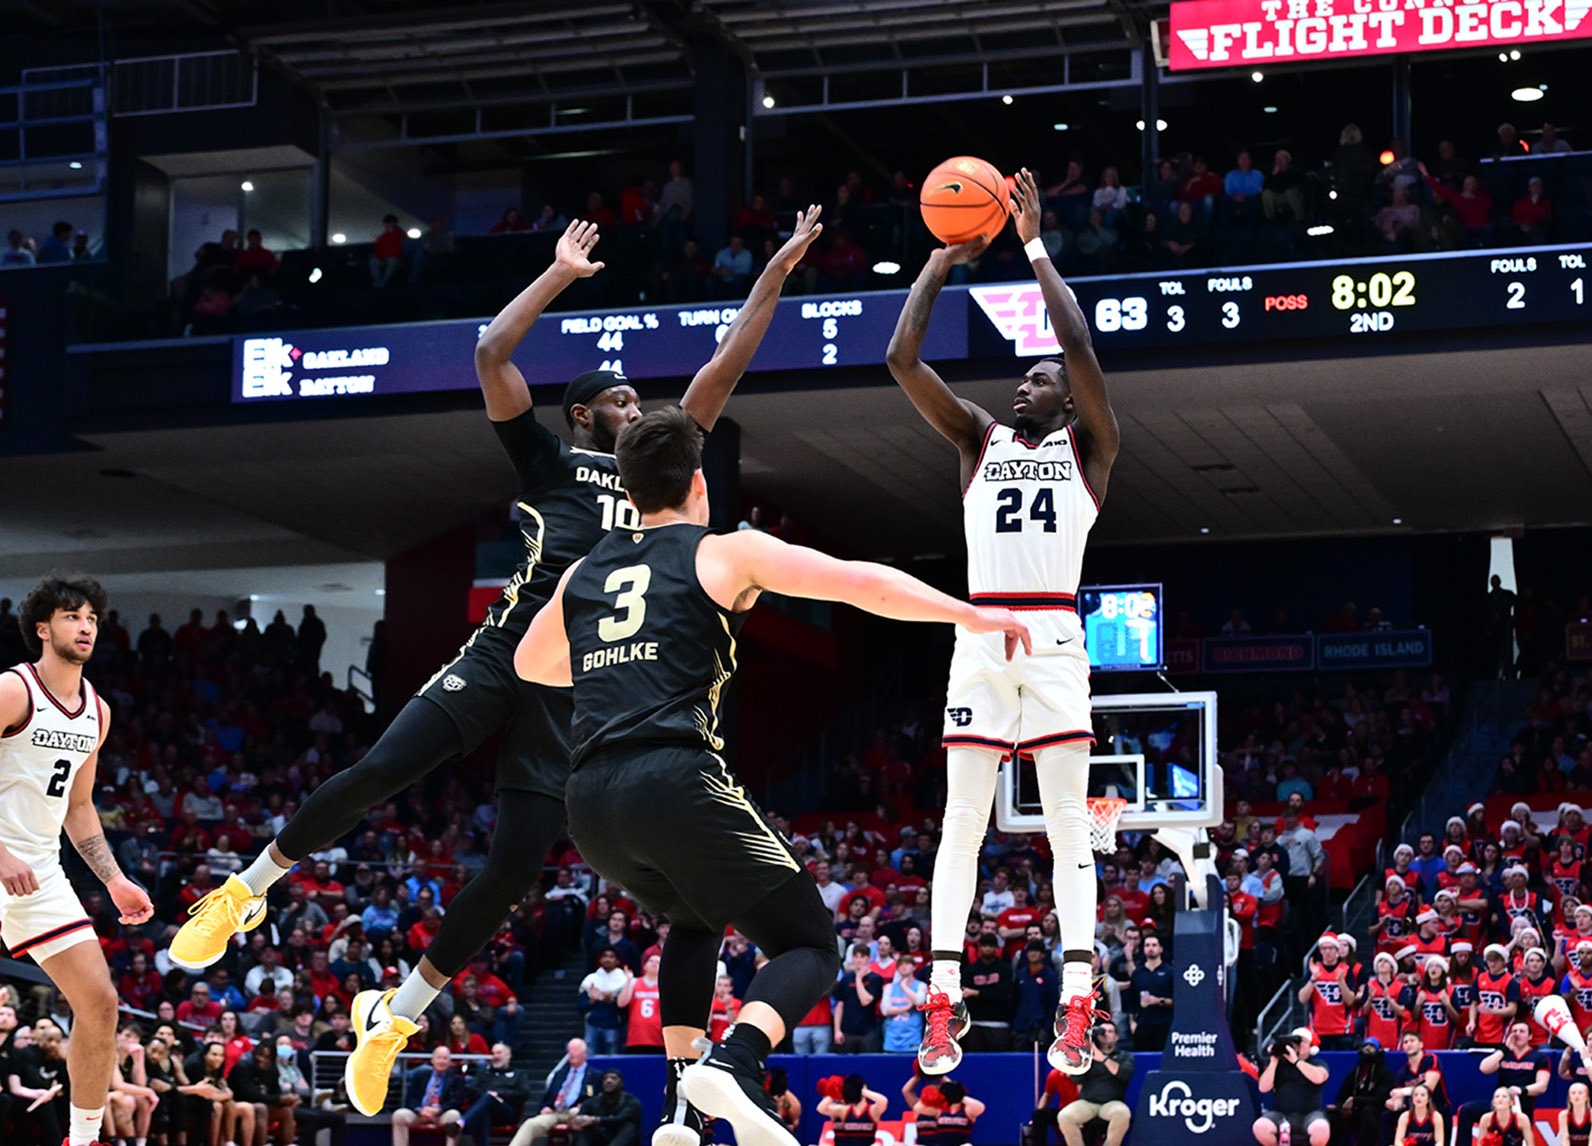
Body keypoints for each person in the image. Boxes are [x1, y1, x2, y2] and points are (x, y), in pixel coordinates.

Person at [170, 211, 827, 1117]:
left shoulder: (660, 470)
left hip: (589, 688)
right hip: (506, 655)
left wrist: (777, 274)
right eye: (620, 399)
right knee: (385, 769)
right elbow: (491, 354)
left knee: (515, 869)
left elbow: (726, 364)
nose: (637, 406)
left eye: (642, 401)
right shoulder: (552, 461)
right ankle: (246, 890)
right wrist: (559, 274)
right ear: (583, 414)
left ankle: (397, 1017)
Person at [513, 407, 1029, 1146]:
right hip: (673, 778)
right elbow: (857, 584)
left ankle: (681, 1114)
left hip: (589, 804)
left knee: (695, 917)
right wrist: (969, 615)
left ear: (626, 496)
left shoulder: (584, 574)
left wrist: (611, 658)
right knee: (813, 946)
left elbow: (534, 665)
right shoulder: (725, 551)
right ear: (699, 483)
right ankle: (738, 1061)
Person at [887, 167, 1120, 1078]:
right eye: (1022, 380)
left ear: (1067, 400)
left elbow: (1078, 341)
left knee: (1070, 822)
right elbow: (903, 362)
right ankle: (942, 1000)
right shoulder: (976, 440)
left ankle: (1076, 997)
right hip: (980, 636)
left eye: (1039, 380)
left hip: (1057, 637)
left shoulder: (1091, 448)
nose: (1024, 386)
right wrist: (939, 263)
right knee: (961, 827)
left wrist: (1032, 247)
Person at [0, 573, 157, 1146]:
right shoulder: (12, 690)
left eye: (90, 617)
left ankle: (84, 1139)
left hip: (39, 873)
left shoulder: (98, 710)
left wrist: (114, 881)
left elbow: (82, 806)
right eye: (71, 616)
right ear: (42, 629)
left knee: (99, 1000)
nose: (85, 625)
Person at [507, 1040, 601, 1146]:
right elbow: (547, 1097)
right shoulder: (559, 1074)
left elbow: (597, 1100)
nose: (571, 1053)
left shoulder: (595, 1075)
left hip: (576, 1112)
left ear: (584, 1053)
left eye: (575, 1050)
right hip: (555, 1112)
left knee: (577, 1113)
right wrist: (545, 1107)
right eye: (569, 1050)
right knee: (530, 1124)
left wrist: (584, 1106)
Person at [1057, 1022, 1131, 1146]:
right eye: (1103, 1031)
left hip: (1112, 1102)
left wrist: (1102, 1058)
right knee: (1065, 1116)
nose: (1105, 1034)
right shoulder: (1089, 1056)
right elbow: (1077, 1080)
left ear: (1117, 1037)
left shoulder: (1124, 1056)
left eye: (1110, 1031)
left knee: (1123, 1113)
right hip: (1087, 1102)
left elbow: (1125, 1074)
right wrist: (1081, 1060)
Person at [1256, 1031, 1331, 1146]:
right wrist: (1273, 1061)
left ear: (1311, 1047)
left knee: (1321, 1129)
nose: (1299, 1045)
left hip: (1310, 1114)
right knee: (1260, 1127)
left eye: (1303, 1041)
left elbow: (1319, 1077)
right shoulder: (1279, 1065)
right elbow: (1263, 1088)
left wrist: (1296, 1061)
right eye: (1296, 1041)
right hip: (1282, 1115)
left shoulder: (1318, 1063)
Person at [456, 1042, 530, 1146]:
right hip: (486, 1109)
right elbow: (472, 1089)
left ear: (508, 1055)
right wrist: (488, 1096)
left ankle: (461, 1122)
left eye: (499, 1053)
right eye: (493, 1053)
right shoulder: (484, 1073)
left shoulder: (519, 1074)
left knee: (488, 1100)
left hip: (507, 1112)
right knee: (484, 1112)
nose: (495, 1056)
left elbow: (524, 1093)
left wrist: (499, 1095)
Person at [393, 1046, 468, 1146]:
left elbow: (457, 1101)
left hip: (441, 1115)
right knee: (399, 1115)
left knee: (454, 1115)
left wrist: (439, 1110)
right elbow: (410, 1098)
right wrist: (420, 1110)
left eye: (445, 1058)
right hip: (420, 1114)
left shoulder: (456, 1079)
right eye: (439, 1057)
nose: (442, 1061)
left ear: (449, 1061)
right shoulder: (420, 1075)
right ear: (432, 1060)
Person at [574, 1069, 643, 1146]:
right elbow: (580, 1119)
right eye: (605, 1079)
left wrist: (595, 1120)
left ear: (621, 1083)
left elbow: (619, 1119)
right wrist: (578, 1121)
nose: (608, 1081)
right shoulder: (591, 1102)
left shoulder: (631, 1101)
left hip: (622, 1139)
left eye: (613, 1078)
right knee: (582, 1127)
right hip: (600, 1138)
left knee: (629, 1127)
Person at [818, 1075, 887, 1146]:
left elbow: (883, 1101)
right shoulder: (844, 1110)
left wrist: (864, 1092)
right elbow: (821, 1109)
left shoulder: (872, 1111)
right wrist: (833, 1094)